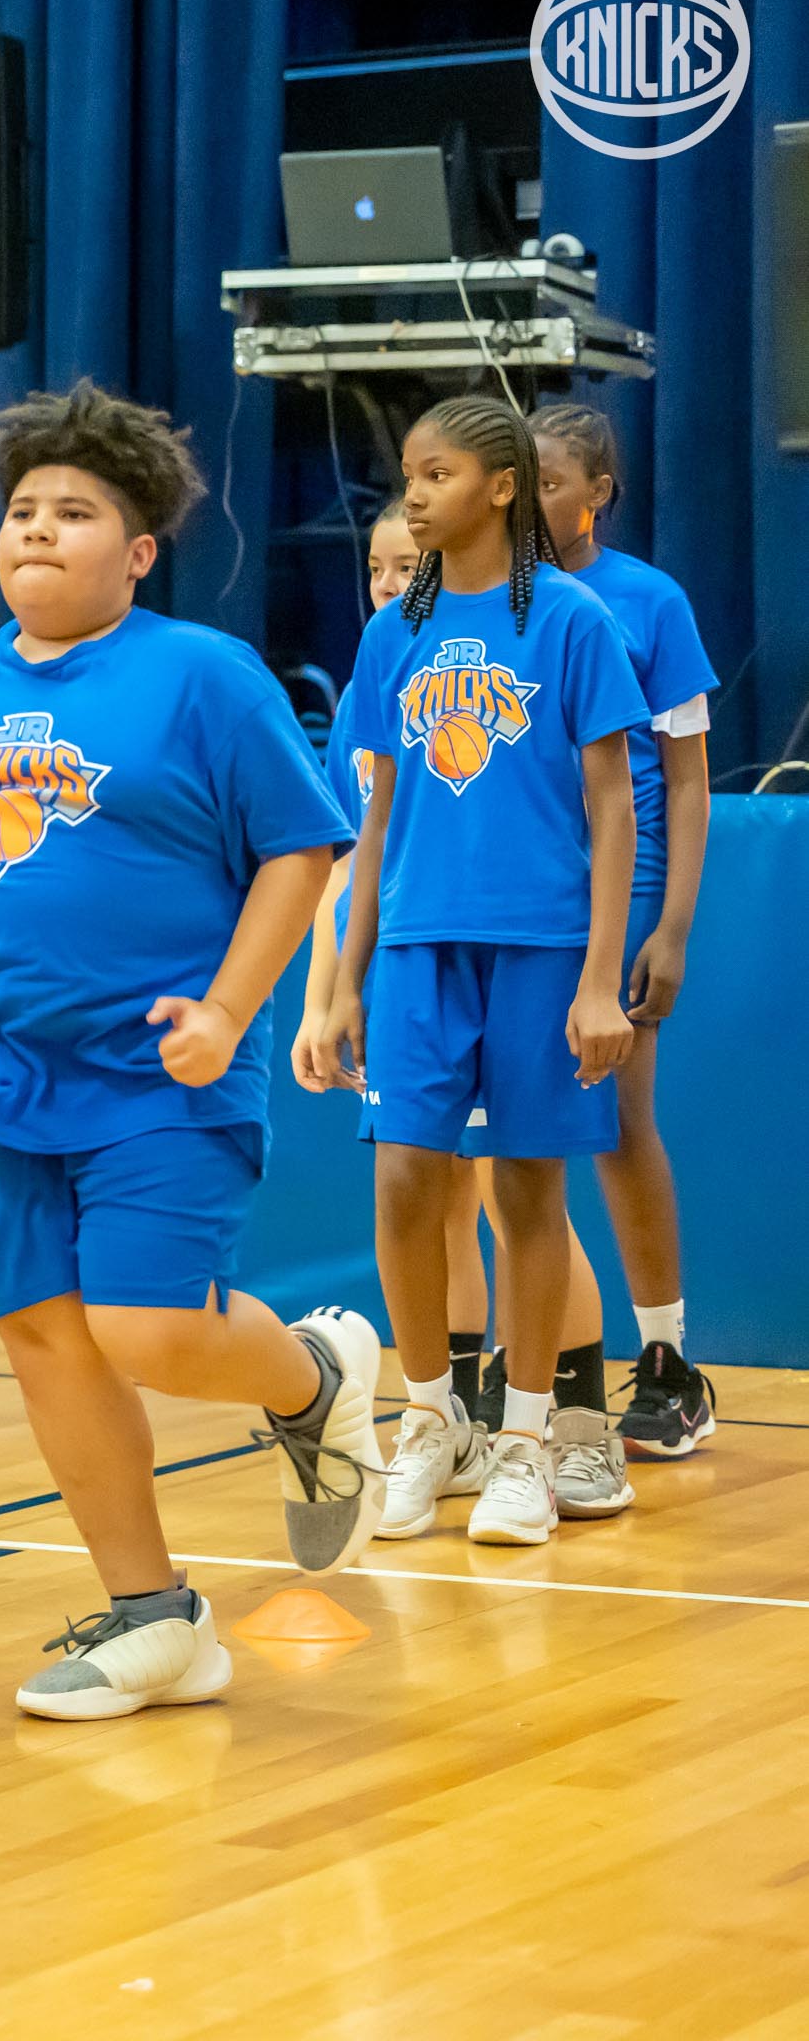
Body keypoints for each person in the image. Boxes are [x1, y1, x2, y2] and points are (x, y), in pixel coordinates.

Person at [0, 381, 380, 1723]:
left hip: (162, 1065)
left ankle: (315, 1377)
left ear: (140, 550)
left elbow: (304, 845)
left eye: (77, 512)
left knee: (149, 1325)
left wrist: (227, 1011)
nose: (37, 532)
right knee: (48, 1339)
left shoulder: (202, 676)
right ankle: (155, 1619)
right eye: (23, 512)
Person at [324, 396, 644, 1550]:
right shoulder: (389, 632)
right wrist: (346, 974)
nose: (413, 492)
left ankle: (522, 1442)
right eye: (407, 473)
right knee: (407, 1179)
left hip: (544, 941)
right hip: (415, 941)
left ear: (501, 487)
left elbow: (614, 807)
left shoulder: (569, 620)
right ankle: (431, 1421)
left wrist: (602, 976)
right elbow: (377, 812)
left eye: (438, 471)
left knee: (525, 1192)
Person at [530, 404, 718, 1459]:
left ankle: (666, 1361)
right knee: (513, 1140)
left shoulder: (648, 601)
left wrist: (672, 926)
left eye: (554, 482)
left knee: (616, 1120)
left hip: (623, 891)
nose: (533, 499)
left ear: (599, 491)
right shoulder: (485, 602)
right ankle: (532, 1378)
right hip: (512, 895)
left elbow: (684, 784)